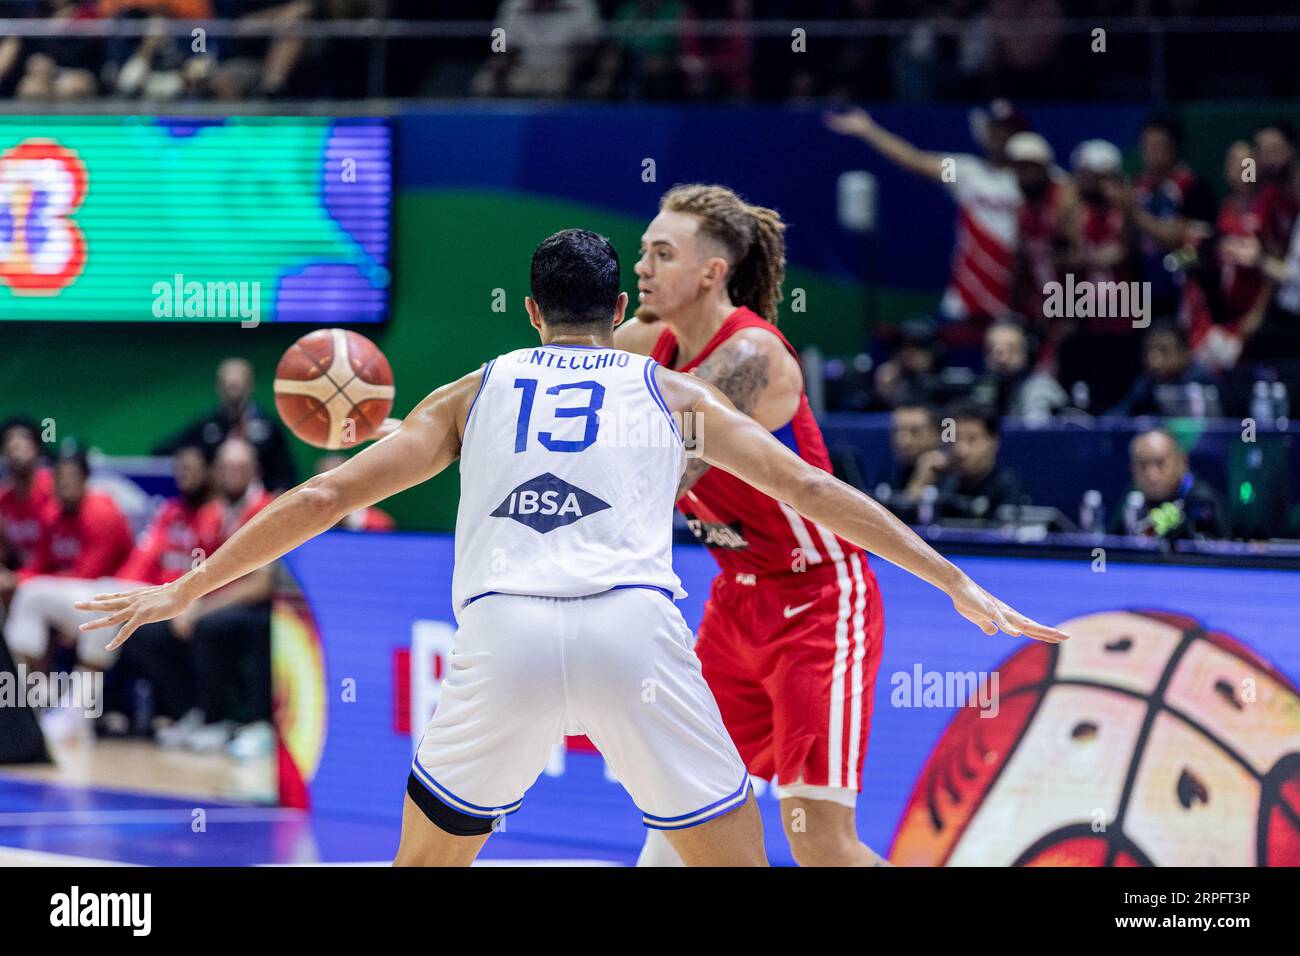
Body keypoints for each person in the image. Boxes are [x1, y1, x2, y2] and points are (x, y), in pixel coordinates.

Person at [77, 228, 1067, 868]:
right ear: (619, 317)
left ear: (531, 310)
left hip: (501, 633)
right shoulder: (673, 392)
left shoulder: (473, 390)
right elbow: (812, 488)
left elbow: (328, 489)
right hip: (634, 635)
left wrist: (188, 583)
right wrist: (949, 576)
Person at [825, 99, 1028, 327]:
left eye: (1008, 130)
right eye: (995, 128)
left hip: (1012, 304)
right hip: (965, 304)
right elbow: (916, 161)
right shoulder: (966, 173)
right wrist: (868, 130)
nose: (1000, 136)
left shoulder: (1034, 178)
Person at [4, 446, 133, 674]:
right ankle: (29, 686)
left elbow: (88, 573)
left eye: (72, 476)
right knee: (26, 594)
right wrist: (15, 578)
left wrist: (20, 580)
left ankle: (81, 701)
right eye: (59, 477)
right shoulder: (52, 514)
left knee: (32, 592)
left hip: (110, 594)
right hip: (73, 594)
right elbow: (39, 565)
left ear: (86, 479)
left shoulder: (102, 513)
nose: (65, 483)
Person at [154, 357, 297, 492]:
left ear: (250, 386)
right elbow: (162, 450)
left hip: (260, 505)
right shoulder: (207, 426)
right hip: (217, 506)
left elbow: (286, 475)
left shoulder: (269, 427)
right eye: (228, 387)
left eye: (237, 387)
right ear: (219, 388)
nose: (233, 396)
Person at [1108, 429, 1227, 541]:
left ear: (1181, 463)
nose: (1151, 475)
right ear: (1132, 469)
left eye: (1160, 463)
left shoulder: (1203, 504)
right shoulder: (1130, 504)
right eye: (1142, 465)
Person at [925, 401, 1028, 524]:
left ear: (993, 441)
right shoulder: (944, 483)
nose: (961, 450)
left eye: (972, 439)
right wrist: (919, 482)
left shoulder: (1009, 488)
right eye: (956, 438)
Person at [0, 418, 55, 606]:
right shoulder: (3, 500)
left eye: (23, 441)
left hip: (54, 573)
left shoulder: (54, 492)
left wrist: (19, 579)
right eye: (9, 443)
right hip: (20, 575)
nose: (15, 448)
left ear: (37, 448)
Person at [1109, 323, 1214, 418]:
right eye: (1149, 351)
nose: (1153, 360)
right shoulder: (1147, 381)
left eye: (1164, 351)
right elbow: (1120, 414)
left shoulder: (1199, 380)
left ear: (1185, 352)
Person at [975, 320, 1067, 421]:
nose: (1000, 359)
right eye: (992, 350)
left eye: (1011, 349)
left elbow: (1034, 433)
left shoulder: (1040, 390)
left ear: (1029, 351)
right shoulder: (987, 389)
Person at [315, 454, 396, 531]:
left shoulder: (378, 524)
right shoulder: (305, 522)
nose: (332, 492)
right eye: (326, 484)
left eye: (341, 482)